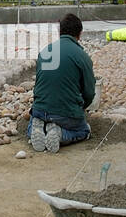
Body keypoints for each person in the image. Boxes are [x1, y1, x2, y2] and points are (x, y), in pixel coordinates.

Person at [28, 14, 97, 153]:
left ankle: (35, 128)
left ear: (59, 32)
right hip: (65, 113)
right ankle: (60, 134)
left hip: (40, 109)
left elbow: (40, 84)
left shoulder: (46, 51)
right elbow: (89, 93)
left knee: (36, 119)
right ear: (79, 34)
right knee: (84, 130)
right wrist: (81, 108)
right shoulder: (82, 56)